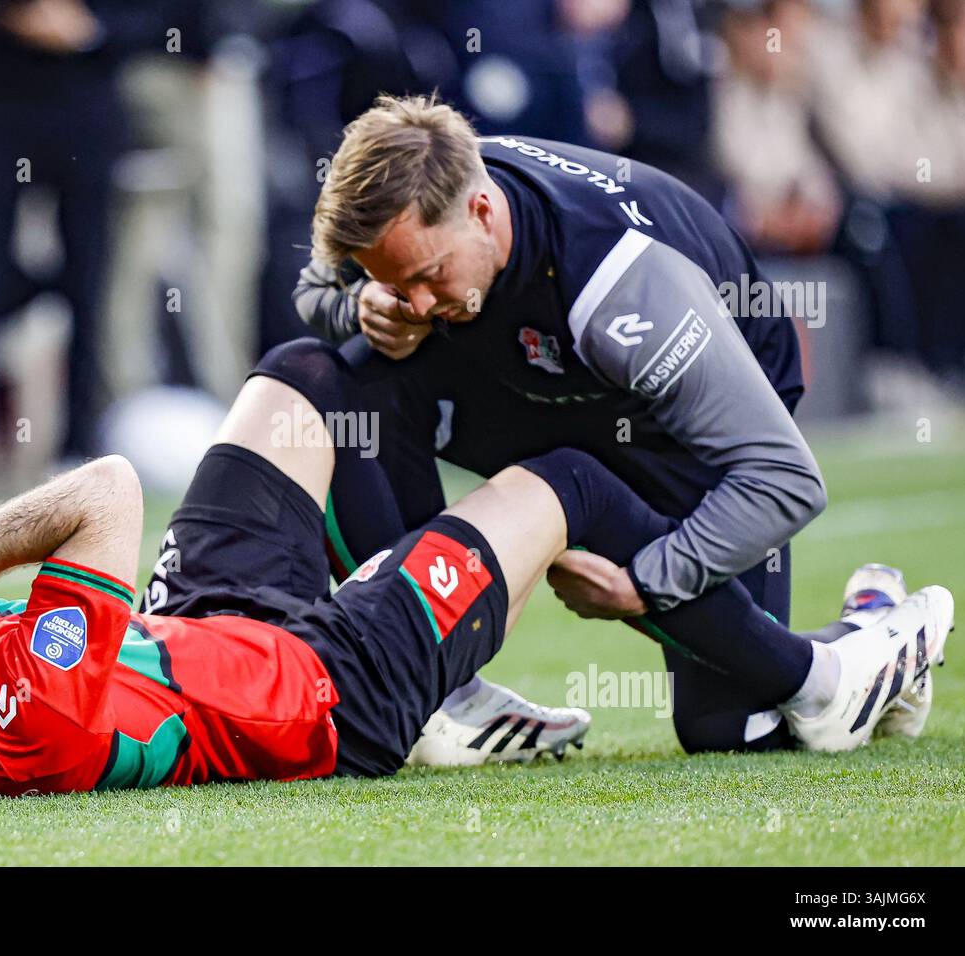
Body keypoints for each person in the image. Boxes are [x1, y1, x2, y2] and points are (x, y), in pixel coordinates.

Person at [0, 341, 951, 804]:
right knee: (572, 482)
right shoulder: (24, 717)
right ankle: (814, 679)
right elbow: (106, 489)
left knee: (308, 376)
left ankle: (459, 690)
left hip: (200, 626)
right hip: (329, 687)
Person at [293, 93, 849, 756]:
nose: (414, 303)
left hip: (667, 425)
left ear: (481, 211)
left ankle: (869, 641)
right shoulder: (404, 204)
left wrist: (647, 580)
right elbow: (313, 289)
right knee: (337, 380)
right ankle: (425, 678)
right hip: (543, 383)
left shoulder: (625, 286)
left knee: (728, 731)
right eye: (394, 281)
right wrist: (358, 304)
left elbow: (784, 479)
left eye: (427, 276)